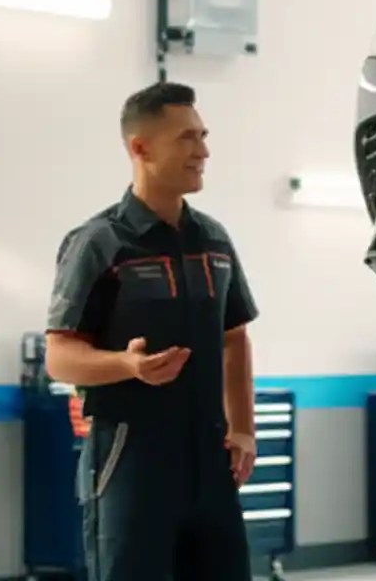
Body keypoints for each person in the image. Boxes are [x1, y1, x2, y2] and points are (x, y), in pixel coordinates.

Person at [45, 81, 260, 580]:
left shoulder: (214, 240)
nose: (203, 151)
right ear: (140, 148)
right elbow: (61, 356)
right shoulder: (99, 243)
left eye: (203, 136)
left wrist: (244, 428)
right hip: (130, 459)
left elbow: (234, 338)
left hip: (210, 459)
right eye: (187, 138)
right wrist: (127, 365)